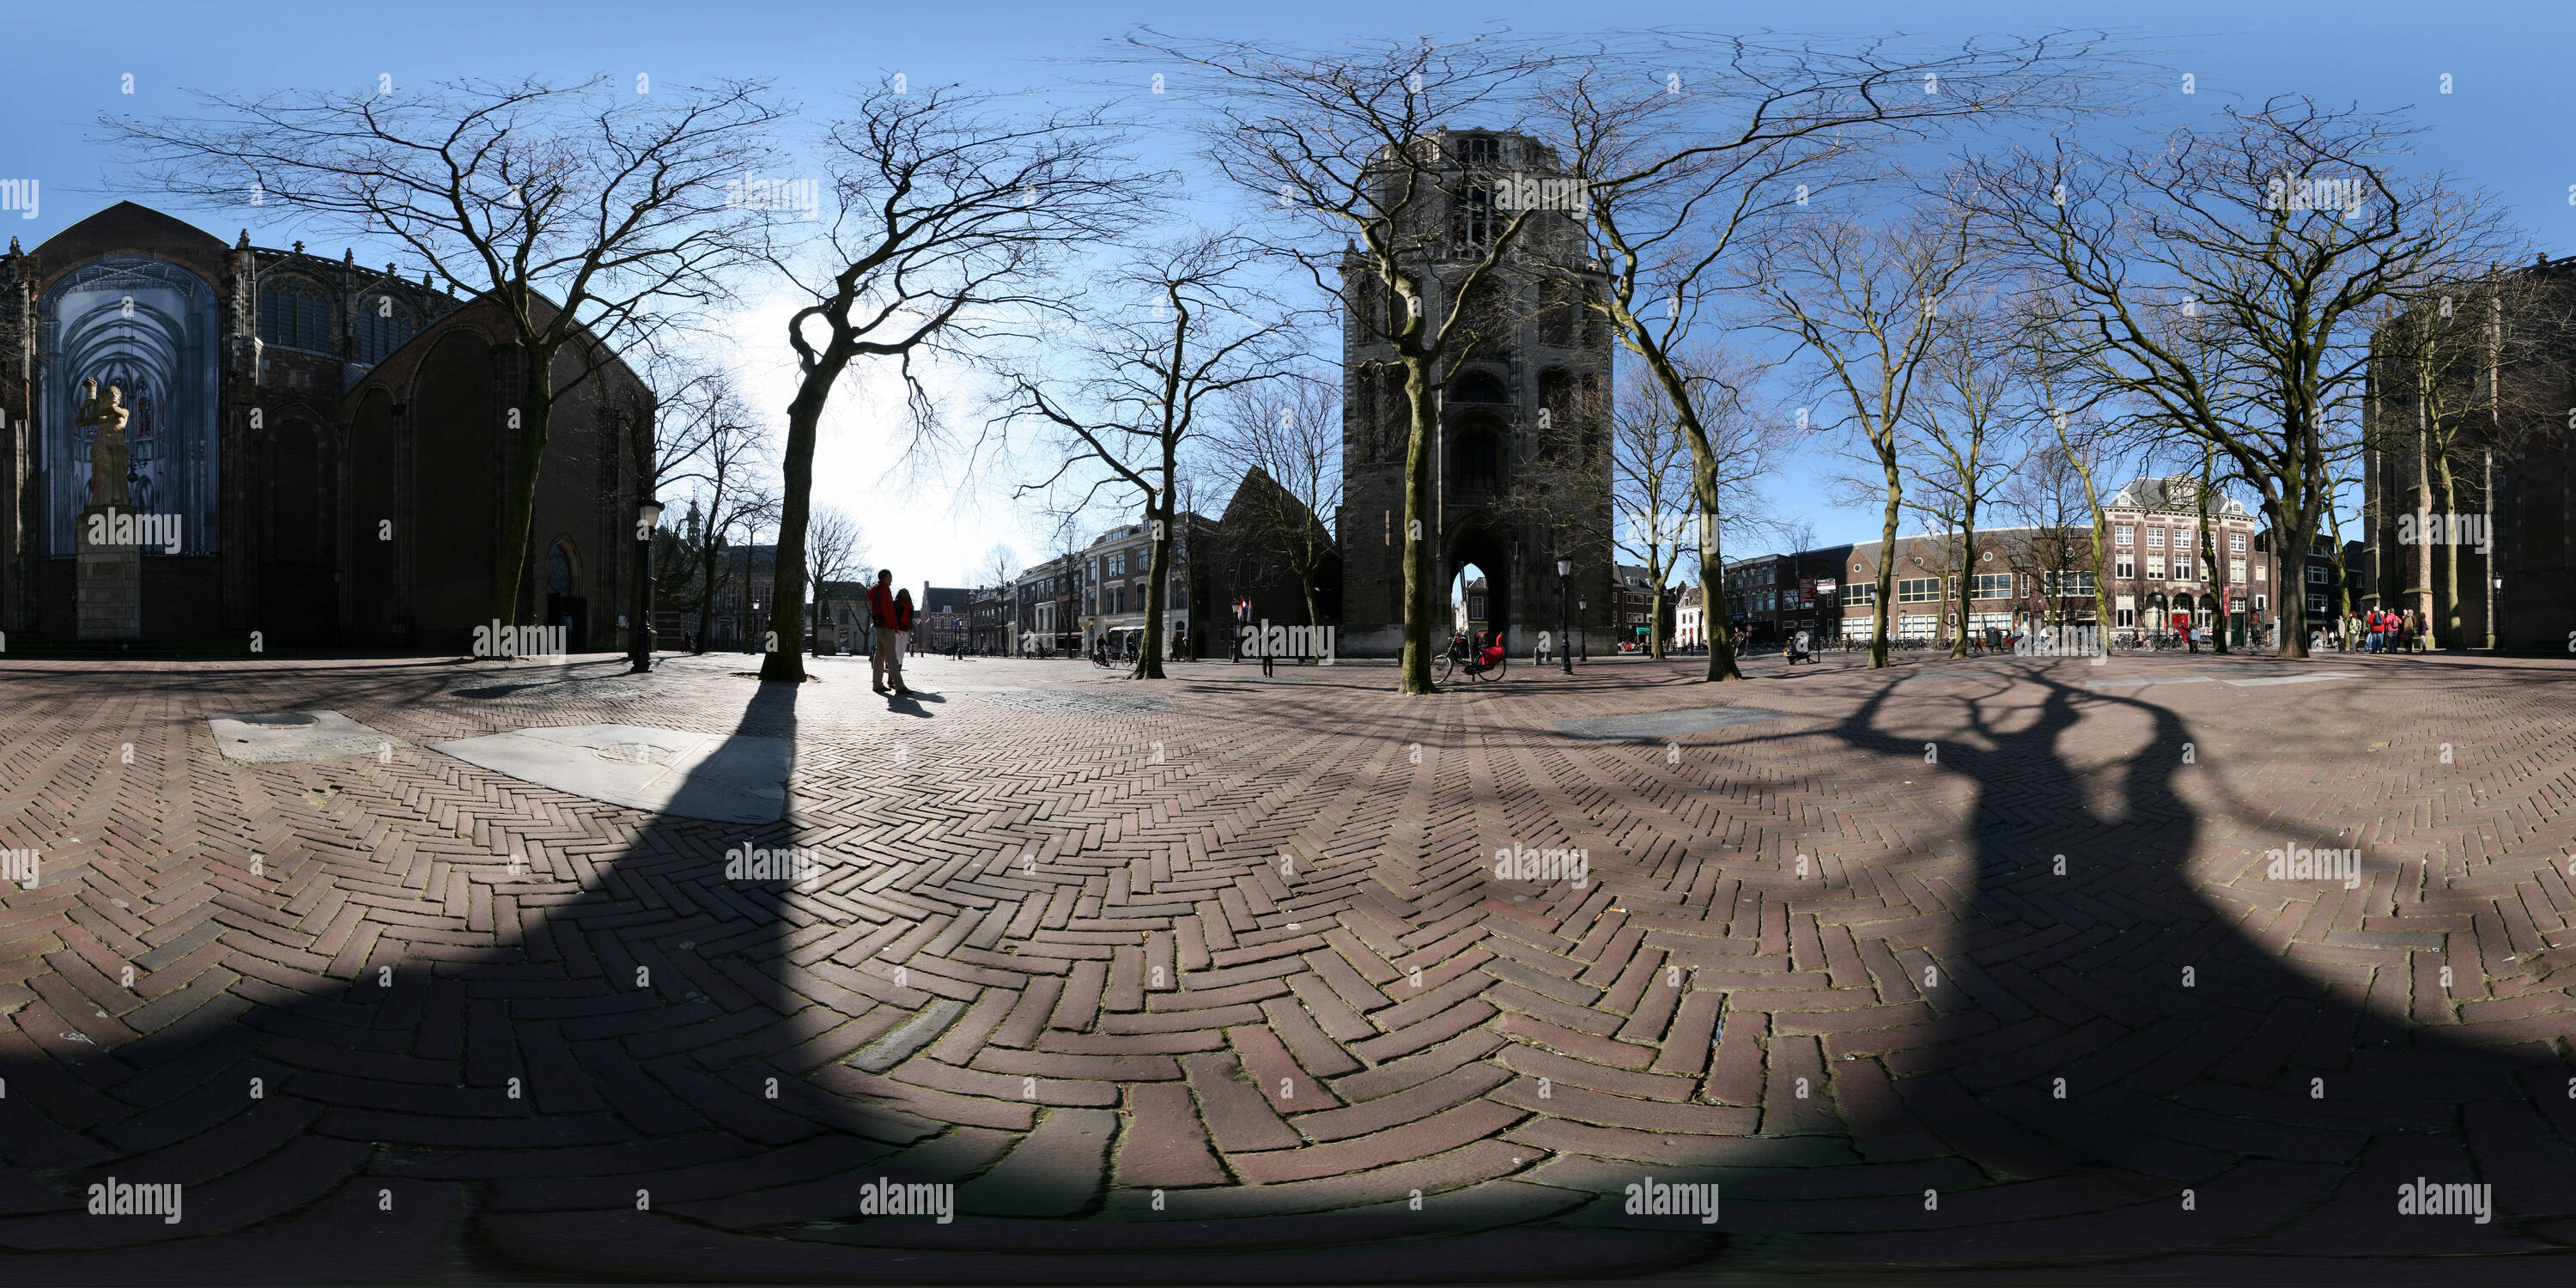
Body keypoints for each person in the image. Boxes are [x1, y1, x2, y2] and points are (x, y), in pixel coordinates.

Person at [866, 570, 909, 695]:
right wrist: (893, 626)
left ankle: (877, 684)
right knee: (892, 656)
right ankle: (899, 685)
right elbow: (888, 609)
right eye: (891, 577)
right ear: (887, 577)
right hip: (886, 626)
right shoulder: (885, 589)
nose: (891, 579)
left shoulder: (876, 589)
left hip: (878, 626)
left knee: (879, 656)